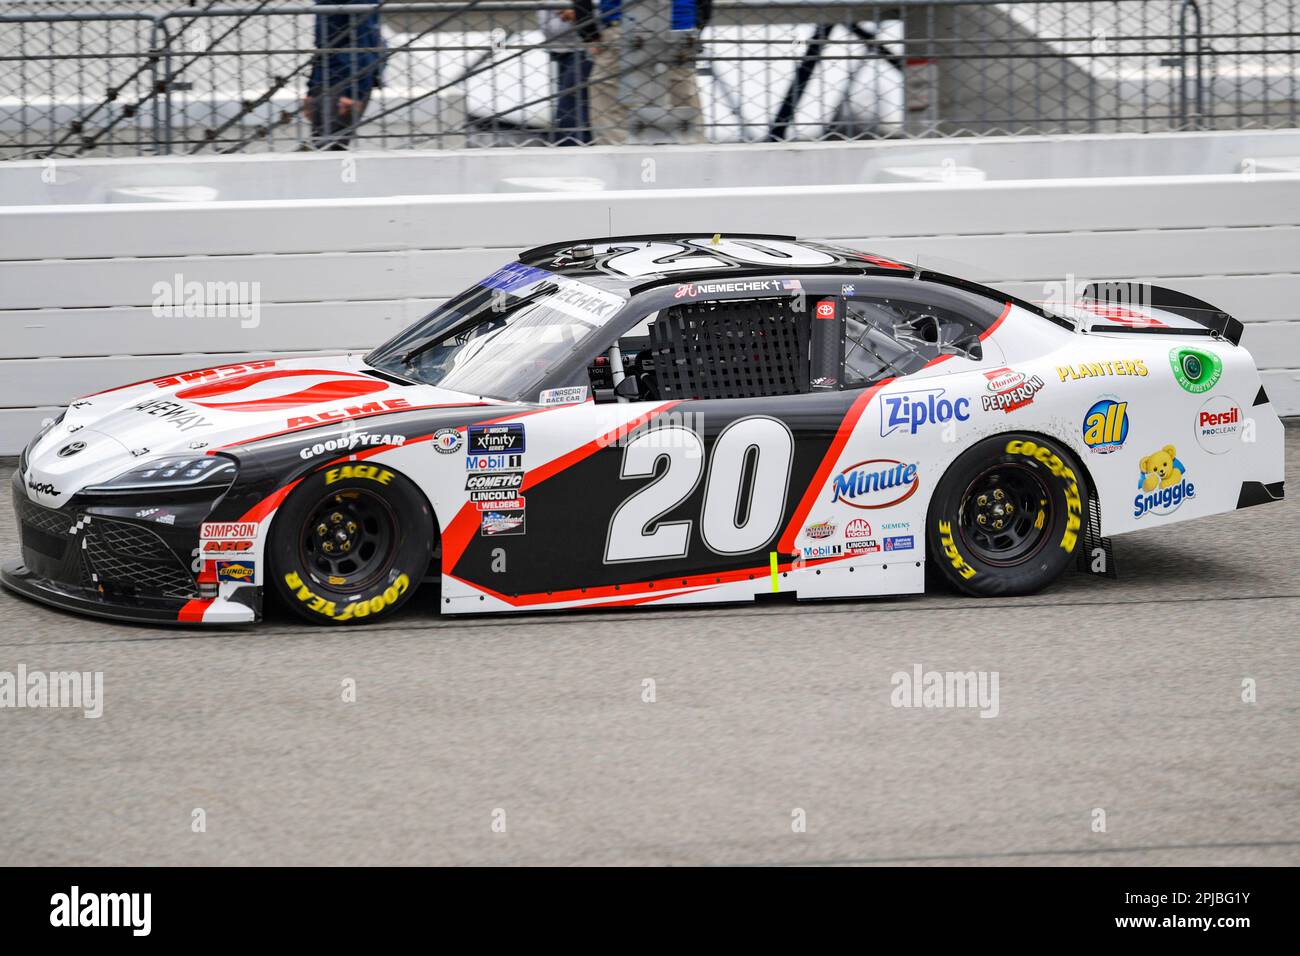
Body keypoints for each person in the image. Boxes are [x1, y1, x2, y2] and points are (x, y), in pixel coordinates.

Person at [576, 0, 711, 145]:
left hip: (625, 27)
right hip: (679, 28)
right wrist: (695, 24)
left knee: (609, 104)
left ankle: (621, 160)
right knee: (683, 109)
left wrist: (589, 33)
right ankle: (690, 157)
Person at [303, 0, 386, 150]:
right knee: (322, 147)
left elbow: (365, 45)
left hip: (346, 80)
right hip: (327, 78)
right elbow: (322, 47)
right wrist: (312, 88)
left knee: (330, 148)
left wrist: (354, 92)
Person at [538, 6, 593, 145]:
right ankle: (570, 144)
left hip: (582, 50)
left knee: (570, 107)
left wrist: (577, 15)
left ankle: (570, 147)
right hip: (561, 52)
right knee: (571, 104)